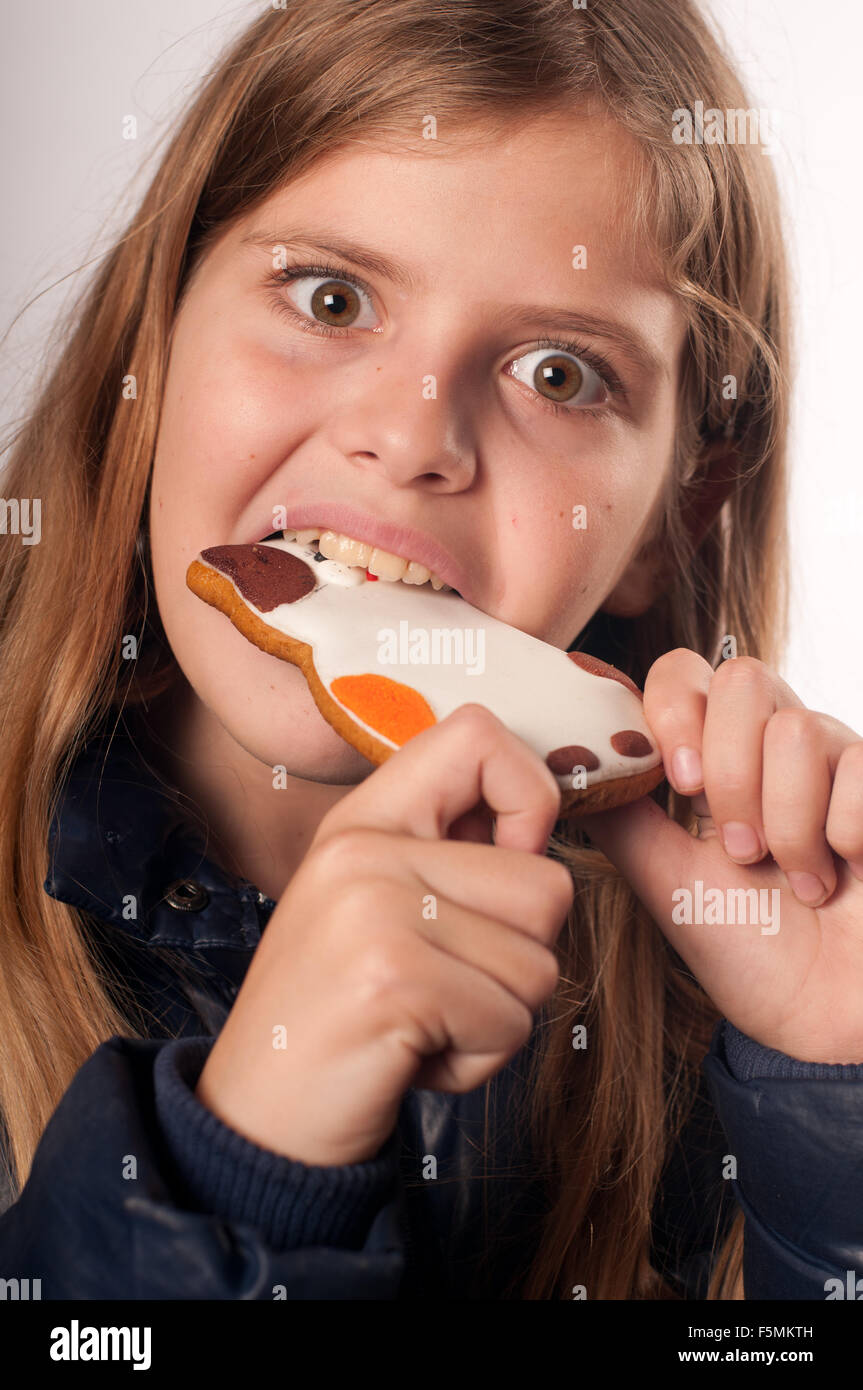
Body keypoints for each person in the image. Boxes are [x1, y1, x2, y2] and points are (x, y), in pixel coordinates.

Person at [1, 0, 860, 1301]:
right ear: (154, 337)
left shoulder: (717, 1035)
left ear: (669, 520)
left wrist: (831, 1115)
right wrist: (239, 1181)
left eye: (559, 374)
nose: (413, 438)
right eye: (331, 296)